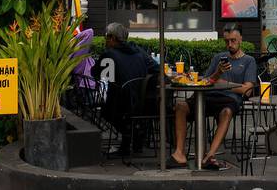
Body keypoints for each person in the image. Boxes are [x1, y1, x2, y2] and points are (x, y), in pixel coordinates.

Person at [169, 24, 257, 171]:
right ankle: (179, 154)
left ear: (241, 38)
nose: (230, 44)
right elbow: (206, 81)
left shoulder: (248, 61)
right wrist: (217, 73)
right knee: (180, 106)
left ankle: (209, 156)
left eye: (233, 40)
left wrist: (224, 83)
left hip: (229, 99)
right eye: (227, 41)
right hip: (208, 96)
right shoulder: (218, 58)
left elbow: (247, 90)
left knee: (227, 112)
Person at [100, 23, 158, 161]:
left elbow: (99, 75)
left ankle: (127, 138)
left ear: (112, 38)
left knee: (105, 111)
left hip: (119, 105)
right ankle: (136, 135)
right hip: (144, 104)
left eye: (106, 38)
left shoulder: (109, 54)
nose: (105, 41)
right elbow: (156, 68)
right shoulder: (139, 51)